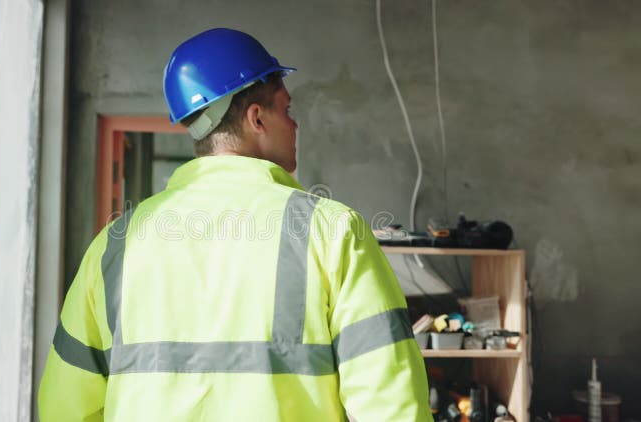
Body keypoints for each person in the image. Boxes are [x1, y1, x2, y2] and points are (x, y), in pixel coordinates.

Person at [39, 28, 430, 421]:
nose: (295, 126)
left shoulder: (116, 245)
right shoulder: (333, 232)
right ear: (256, 118)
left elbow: (64, 407)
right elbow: (391, 405)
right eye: (287, 110)